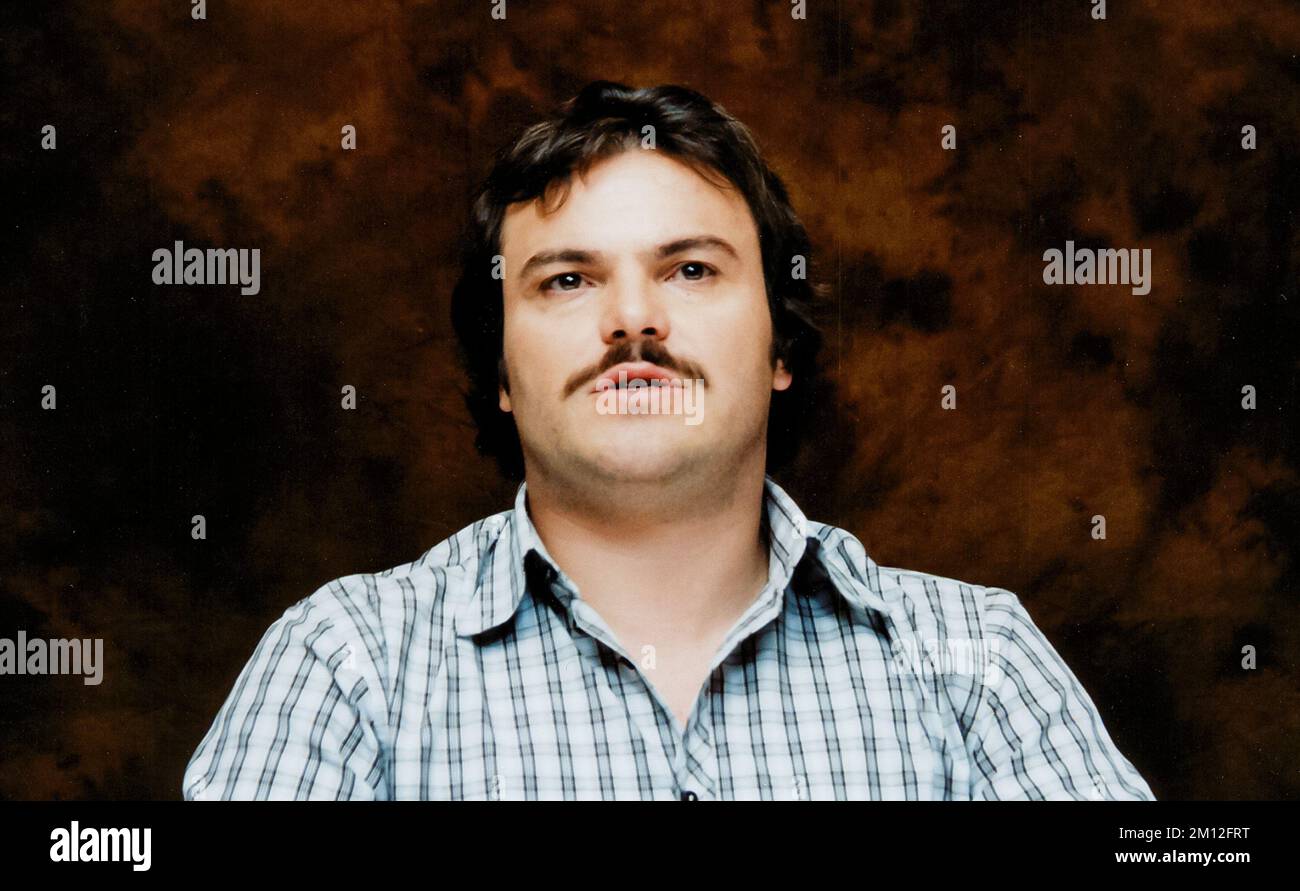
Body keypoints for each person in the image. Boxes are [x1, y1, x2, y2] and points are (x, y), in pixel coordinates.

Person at [182, 81, 1155, 800]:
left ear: (780, 344)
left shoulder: (975, 666)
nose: (632, 318)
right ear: (499, 374)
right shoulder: (346, 669)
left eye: (689, 270)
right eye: (567, 280)